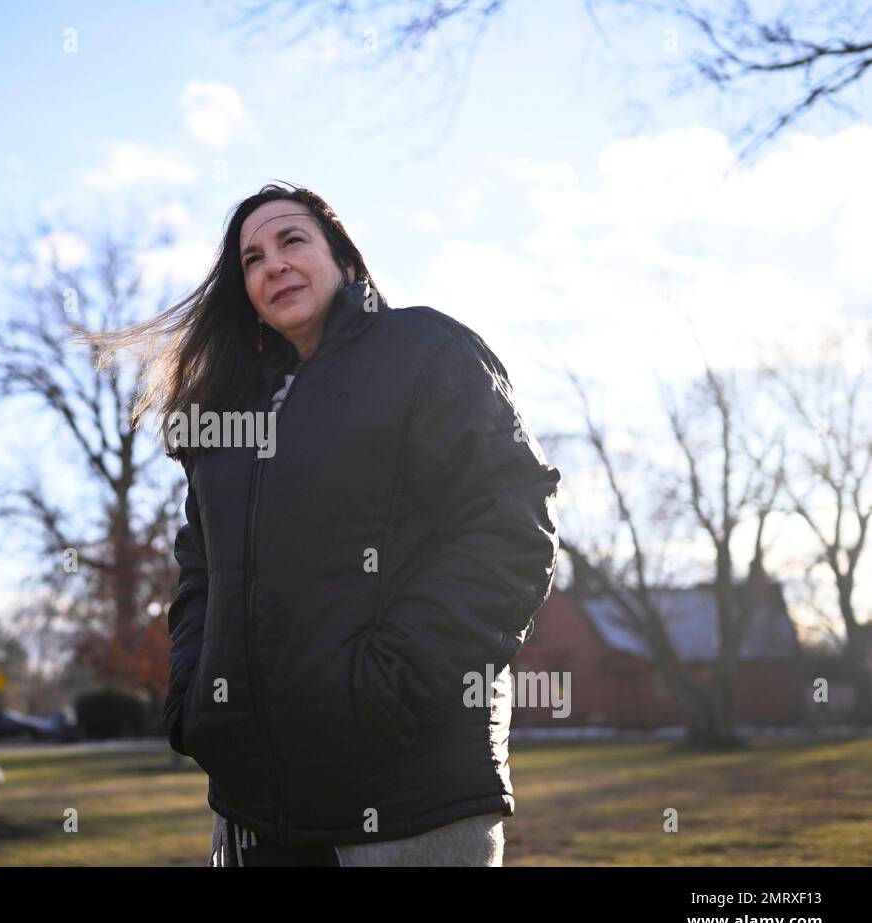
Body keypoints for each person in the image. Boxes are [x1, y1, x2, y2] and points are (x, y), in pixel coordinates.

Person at [87, 182, 561, 866]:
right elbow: (199, 568)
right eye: (251, 259)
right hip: (253, 812)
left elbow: (513, 518)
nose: (272, 264)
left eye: (291, 240)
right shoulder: (229, 409)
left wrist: (393, 683)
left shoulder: (426, 352)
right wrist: (194, 695)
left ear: (344, 259)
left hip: (406, 799)